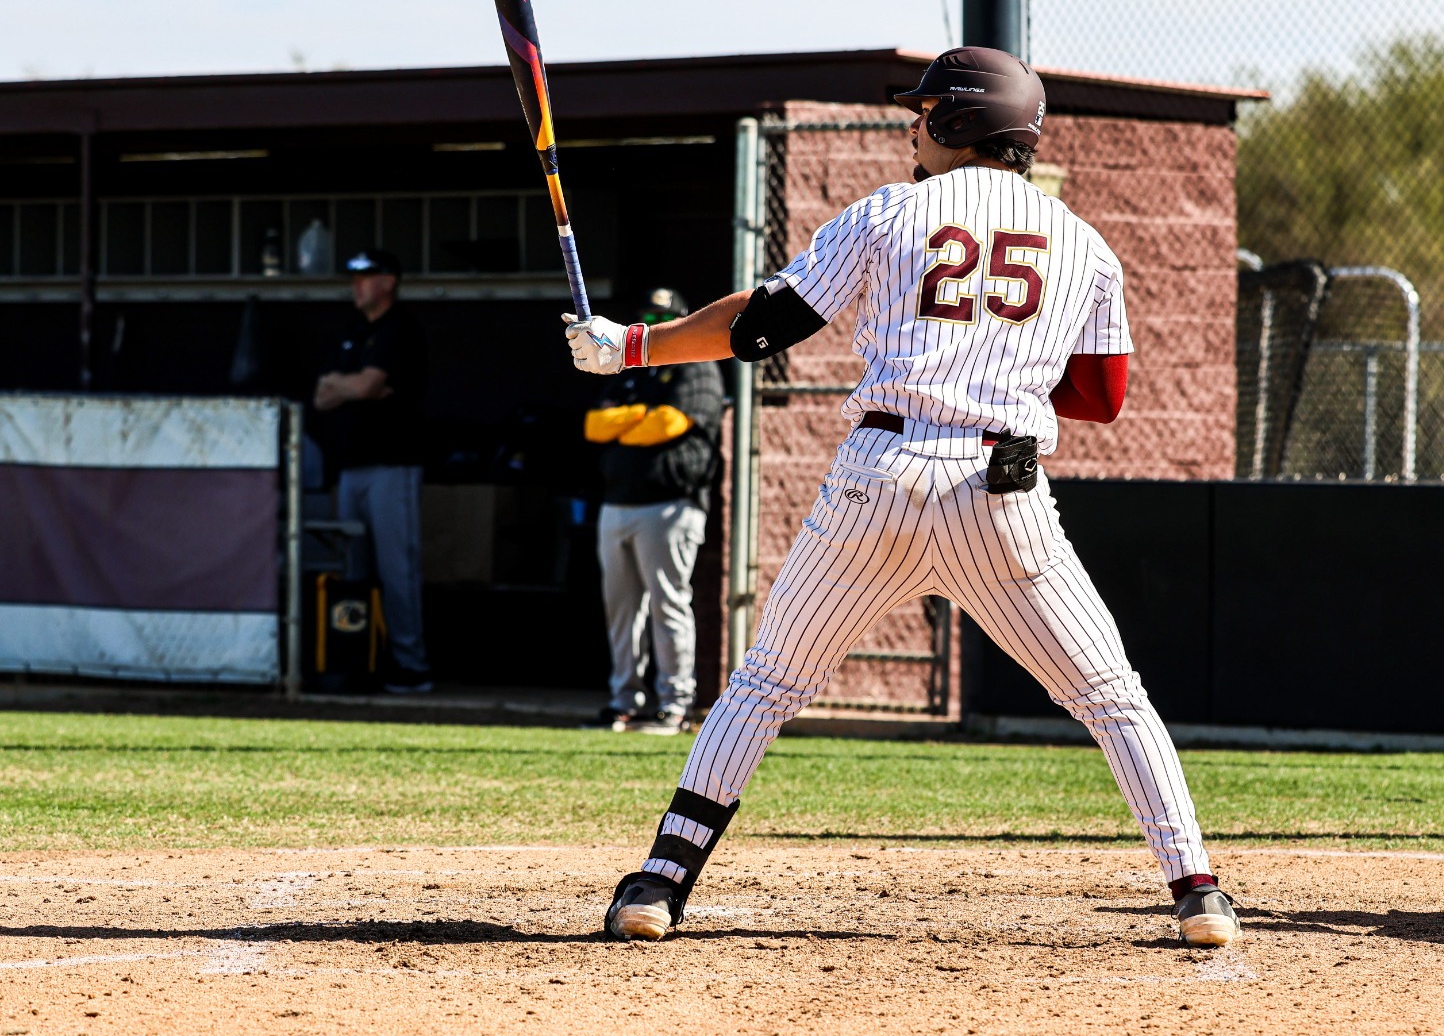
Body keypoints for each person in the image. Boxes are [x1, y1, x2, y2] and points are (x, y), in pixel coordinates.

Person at [563, 46, 1240, 948]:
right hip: (1000, 492)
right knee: (1112, 695)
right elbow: (1103, 399)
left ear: (959, 122)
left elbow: (764, 326)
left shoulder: (893, 209)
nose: (911, 125)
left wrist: (633, 346)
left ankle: (658, 881)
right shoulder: (1085, 241)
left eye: (923, 112)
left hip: (879, 477)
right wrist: (1016, 369)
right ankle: (1197, 890)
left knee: (765, 685)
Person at [582, 287, 725, 733]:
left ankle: (675, 703)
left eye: (661, 317)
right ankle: (624, 699)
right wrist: (639, 417)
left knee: (668, 605)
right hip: (618, 501)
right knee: (620, 610)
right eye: (646, 315)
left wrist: (629, 421)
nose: (651, 322)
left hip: (670, 503)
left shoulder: (695, 365)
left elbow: (671, 424)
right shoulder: (628, 370)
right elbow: (593, 424)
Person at [315, 248, 432, 693]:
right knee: (352, 570)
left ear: (389, 280)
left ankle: (412, 665)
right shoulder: (352, 332)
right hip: (351, 468)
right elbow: (322, 395)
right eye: (354, 277)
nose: (357, 285)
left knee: (396, 569)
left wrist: (353, 387)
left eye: (366, 277)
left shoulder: (400, 328)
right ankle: (355, 659)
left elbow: (364, 385)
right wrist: (356, 388)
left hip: (392, 466)